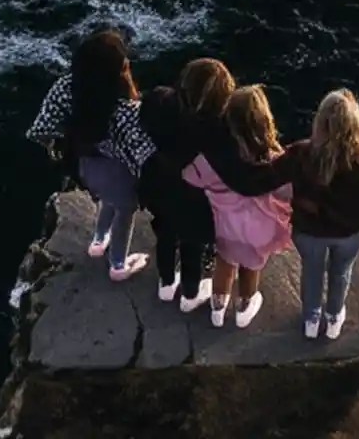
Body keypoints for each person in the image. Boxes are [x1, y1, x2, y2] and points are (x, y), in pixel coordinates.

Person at [26, 29, 156, 281]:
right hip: (118, 174)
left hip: (86, 168)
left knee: (106, 200)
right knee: (125, 209)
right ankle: (118, 265)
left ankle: (98, 241)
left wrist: (61, 146)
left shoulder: (65, 88)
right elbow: (145, 153)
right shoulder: (126, 110)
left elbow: (39, 129)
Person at [276, 90, 359, 340]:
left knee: (311, 271)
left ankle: (311, 318)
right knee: (341, 273)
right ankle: (334, 316)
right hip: (349, 232)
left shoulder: (300, 153)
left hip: (308, 231)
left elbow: (268, 176)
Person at [183, 85, 292, 329]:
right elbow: (287, 193)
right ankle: (245, 306)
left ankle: (217, 308)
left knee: (225, 262)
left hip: (225, 228)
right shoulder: (274, 160)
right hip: (258, 232)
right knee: (250, 267)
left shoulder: (213, 159)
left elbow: (190, 175)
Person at [137, 58, 237, 313]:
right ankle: (190, 295)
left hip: (158, 183)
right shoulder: (222, 126)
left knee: (165, 233)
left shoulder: (159, 101)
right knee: (193, 242)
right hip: (197, 197)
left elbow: (144, 115)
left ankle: (166, 283)